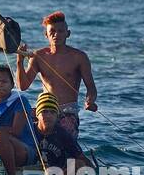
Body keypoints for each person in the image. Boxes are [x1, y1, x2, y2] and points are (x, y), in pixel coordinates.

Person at [16, 10, 97, 138]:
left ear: (68, 33)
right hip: (45, 109)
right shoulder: (38, 56)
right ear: (46, 34)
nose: (56, 34)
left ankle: (70, 156)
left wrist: (90, 101)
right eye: (52, 31)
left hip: (67, 112)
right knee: (17, 118)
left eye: (60, 31)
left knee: (62, 137)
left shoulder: (79, 57)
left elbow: (91, 88)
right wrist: (19, 62)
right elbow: (23, 86)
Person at [32, 91, 92, 171]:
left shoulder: (63, 134)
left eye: (52, 112)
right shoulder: (29, 130)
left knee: (79, 163)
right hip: (32, 171)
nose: (49, 116)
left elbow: (81, 157)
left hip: (59, 173)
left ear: (57, 116)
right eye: (44, 111)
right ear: (37, 114)